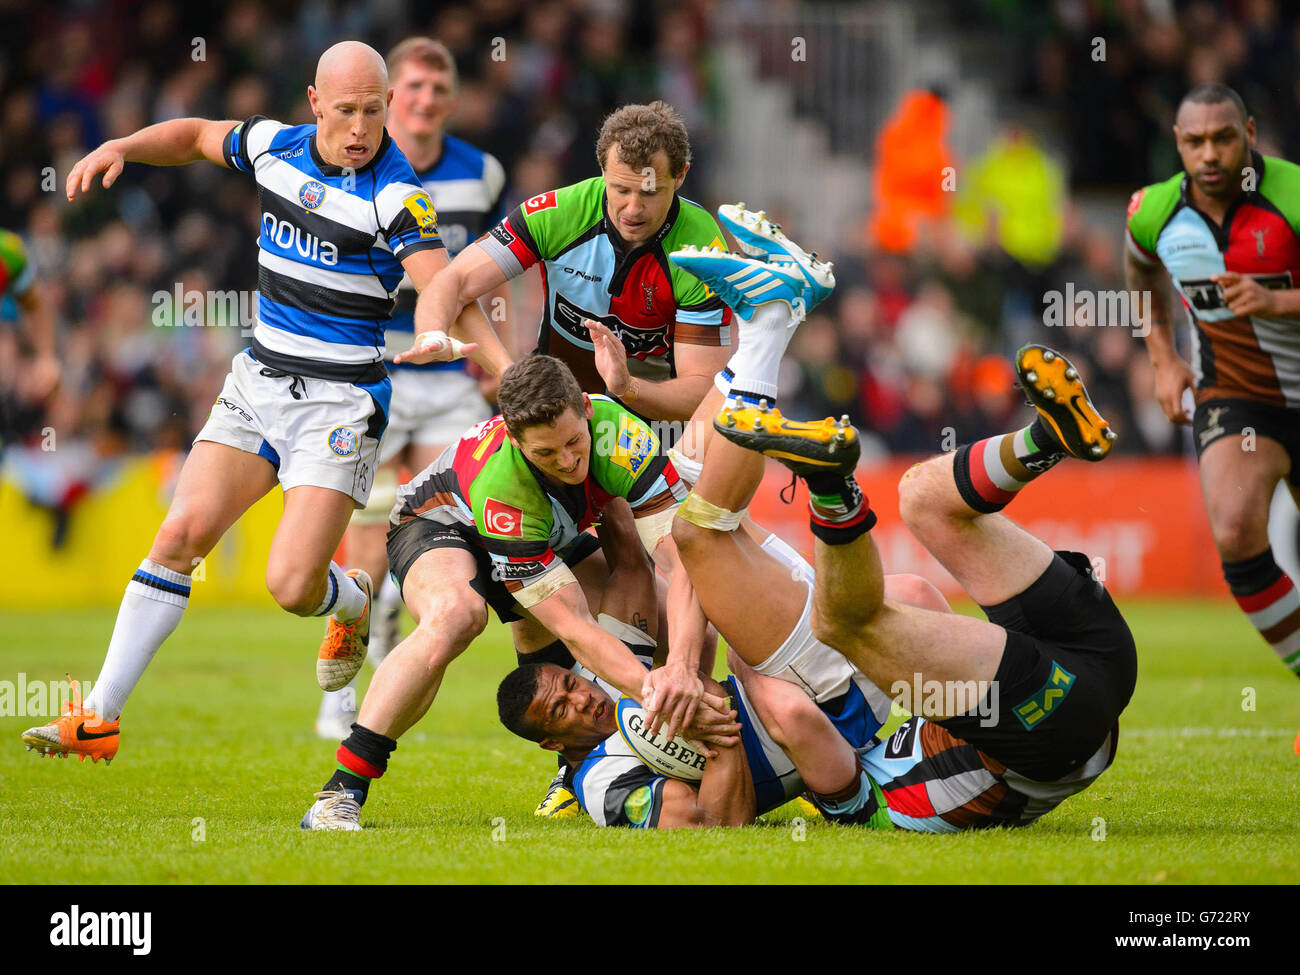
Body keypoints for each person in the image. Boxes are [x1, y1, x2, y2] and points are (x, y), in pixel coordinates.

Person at [21, 40, 510, 764]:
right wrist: (122, 143)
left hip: (339, 406)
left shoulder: (398, 196)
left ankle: (347, 599)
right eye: (345, 111)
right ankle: (99, 716)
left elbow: (441, 278)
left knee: (289, 585)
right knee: (179, 535)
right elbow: (191, 136)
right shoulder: (273, 147)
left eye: (373, 112)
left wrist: (456, 341)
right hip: (256, 384)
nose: (360, 128)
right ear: (314, 104)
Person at [667, 234, 1136, 828]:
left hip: (1089, 685)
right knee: (828, 608)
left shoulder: (873, 783)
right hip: (1048, 722)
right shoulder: (879, 796)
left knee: (919, 499)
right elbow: (795, 712)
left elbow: (813, 719)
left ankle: (1041, 442)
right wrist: (744, 670)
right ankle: (807, 422)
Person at [300, 355, 730, 830]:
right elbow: (576, 627)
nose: (567, 461)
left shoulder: (620, 436)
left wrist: (685, 673)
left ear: (587, 409)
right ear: (513, 437)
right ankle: (342, 790)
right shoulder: (502, 485)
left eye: (573, 442)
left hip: (541, 536)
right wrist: (656, 697)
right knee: (457, 616)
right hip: (440, 526)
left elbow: (685, 562)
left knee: (680, 625)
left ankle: (587, 765)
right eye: (546, 454)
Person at [317, 37, 514, 738]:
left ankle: (395, 682)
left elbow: (492, 272)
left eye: (439, 89)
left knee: (437, 523)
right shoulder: (357, 161)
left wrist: (502, 365)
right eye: (413, 88)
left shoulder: (482, 172)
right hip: (374, 365)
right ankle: (343, 692)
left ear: (451, 101)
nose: (425, 100)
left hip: (449, 373)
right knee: (367, 537)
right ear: (390, 96)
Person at [393, 100, 733, 424]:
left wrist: (626, 387)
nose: (632, 209)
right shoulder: (559, 214)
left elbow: (702, 389)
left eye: (649, 192)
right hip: (556, 407)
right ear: (602, 170)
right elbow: (454, 282)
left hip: (653, 418)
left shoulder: (702, 252)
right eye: (620, 190)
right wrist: (442, 336)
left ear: (681, 176)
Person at [1126, 83, 1300, 684]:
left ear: (1249, 134)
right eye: (1195, 141)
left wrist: (1280, 303)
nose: (1210, 154)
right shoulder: (1153, 212)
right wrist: (1162, 358)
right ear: (1177, 143)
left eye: (1224, 138)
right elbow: (1141, 268)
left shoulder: (1294, 195)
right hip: (1237, 394)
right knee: (1233, 531)